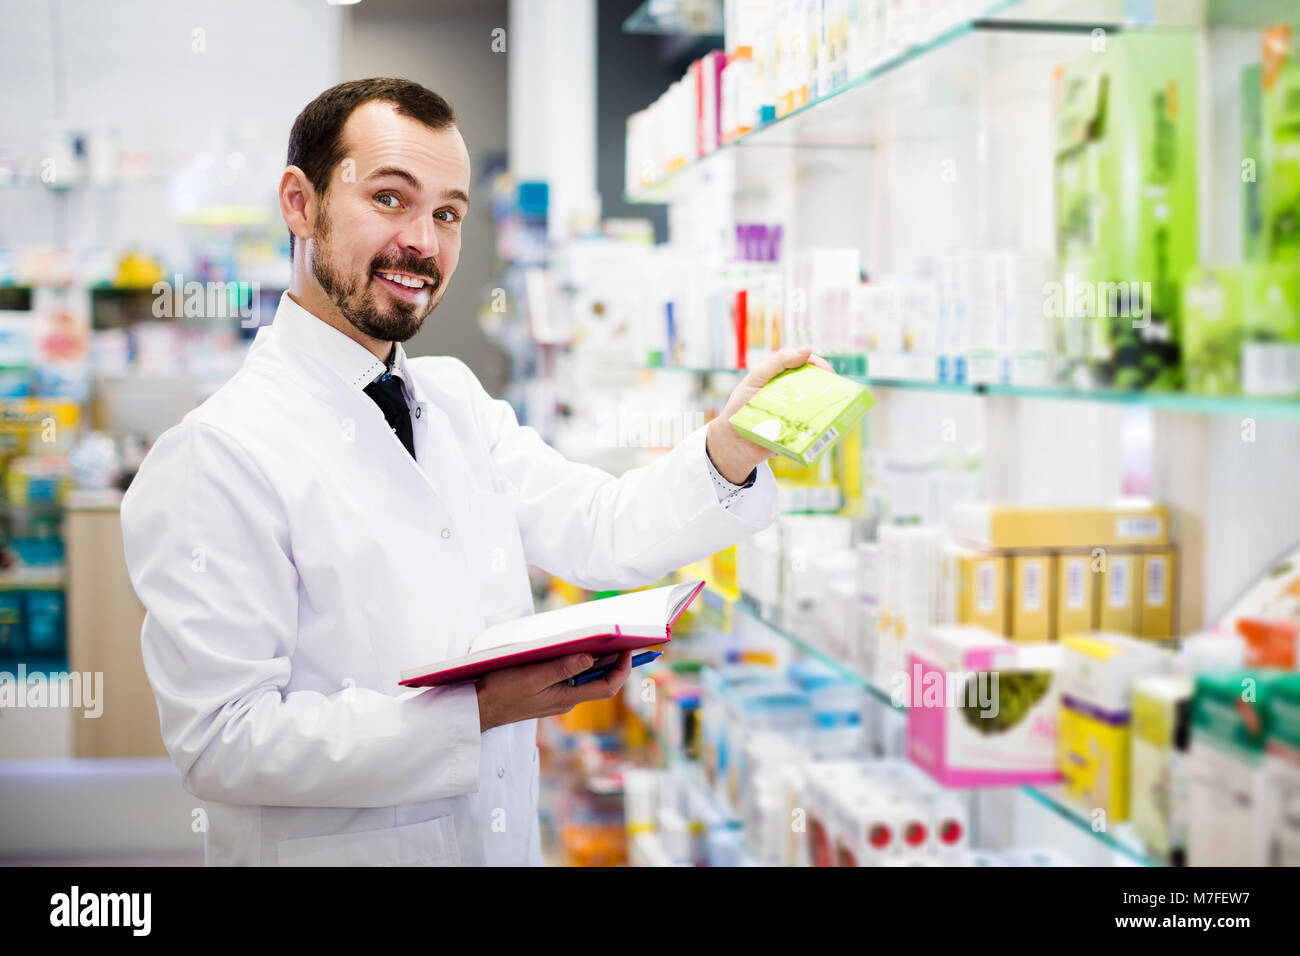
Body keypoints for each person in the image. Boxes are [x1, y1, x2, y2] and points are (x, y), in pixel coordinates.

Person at [120, 77, 829, 866]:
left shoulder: (455, 400)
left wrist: (730, 446)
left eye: (448, 213)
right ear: (299, 202)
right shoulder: (216, 455)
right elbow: (221, 742)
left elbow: (601, 529)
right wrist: (480, 711)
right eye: (390, 199)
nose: (424, 241)